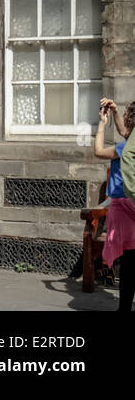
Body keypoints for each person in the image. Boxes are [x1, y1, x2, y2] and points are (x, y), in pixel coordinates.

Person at [95, 97, 135, 310]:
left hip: (124, 205)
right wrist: (117, 111)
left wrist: (102, 123)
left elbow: (99, 151)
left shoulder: (124, 149)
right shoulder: (131, 143)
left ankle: (124, 307)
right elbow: (126, 133)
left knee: (129, 261)